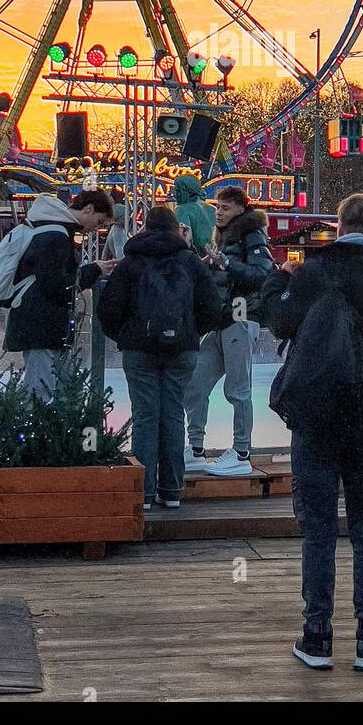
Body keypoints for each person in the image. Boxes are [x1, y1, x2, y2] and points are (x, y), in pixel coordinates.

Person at [263, 193, 363, 671]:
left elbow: (277, 320)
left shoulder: (315, 271)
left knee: (318, 529)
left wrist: (279, 281)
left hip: (315, 416)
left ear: (338, 223)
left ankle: (316, 636)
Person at [97, 204, 221, 509]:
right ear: (176, 228)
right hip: (182, 350)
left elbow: (109, 311)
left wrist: (128, 337)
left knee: (145, 415)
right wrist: (190, 333)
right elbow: (213, 308)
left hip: (140, 351)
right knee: (173, 413)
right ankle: (171, 491)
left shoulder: (130, 263)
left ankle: (145, 493)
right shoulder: (191, 262)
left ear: (145, 227)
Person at [184, 186, 274, 478]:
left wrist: (225, 263)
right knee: (196, 383)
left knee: (237, 389)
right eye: (217, 207)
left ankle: (241, 452)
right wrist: (209, 264)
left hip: (241, 317)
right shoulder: (222, 237)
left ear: (240, 209)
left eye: (225, 207)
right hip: (222, 320)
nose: (218, 212)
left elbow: (261, 273)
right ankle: (195, 448)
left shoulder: (252, 234)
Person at [3, 190, 114, 400]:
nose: (95, 229)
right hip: (42, 326)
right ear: (88, 209)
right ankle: (41, 431)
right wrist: (93, 270)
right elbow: (57, 284)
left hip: (40, 325)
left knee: (45, 388)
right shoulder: (55, 236)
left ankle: (40, 430)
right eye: (98, 221)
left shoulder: (48, 229)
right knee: (40, 392)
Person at [172, 173, 216, 253]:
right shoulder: (213, 209)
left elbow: (185, 240)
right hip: (216, 258)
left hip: (196, 259)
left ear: (187, 192)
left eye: (177, 190)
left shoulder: (181, 209)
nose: (174, 195)